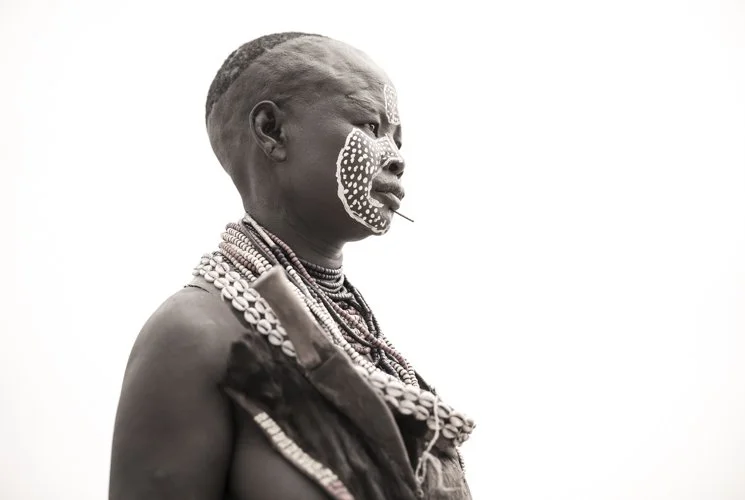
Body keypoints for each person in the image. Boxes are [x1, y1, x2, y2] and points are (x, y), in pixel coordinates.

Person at [109, 32, 475, 500]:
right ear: (272, 131)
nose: (397, 158)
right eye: (370, 126)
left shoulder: (370, 349)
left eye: (397, 138)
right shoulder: (196, 334)